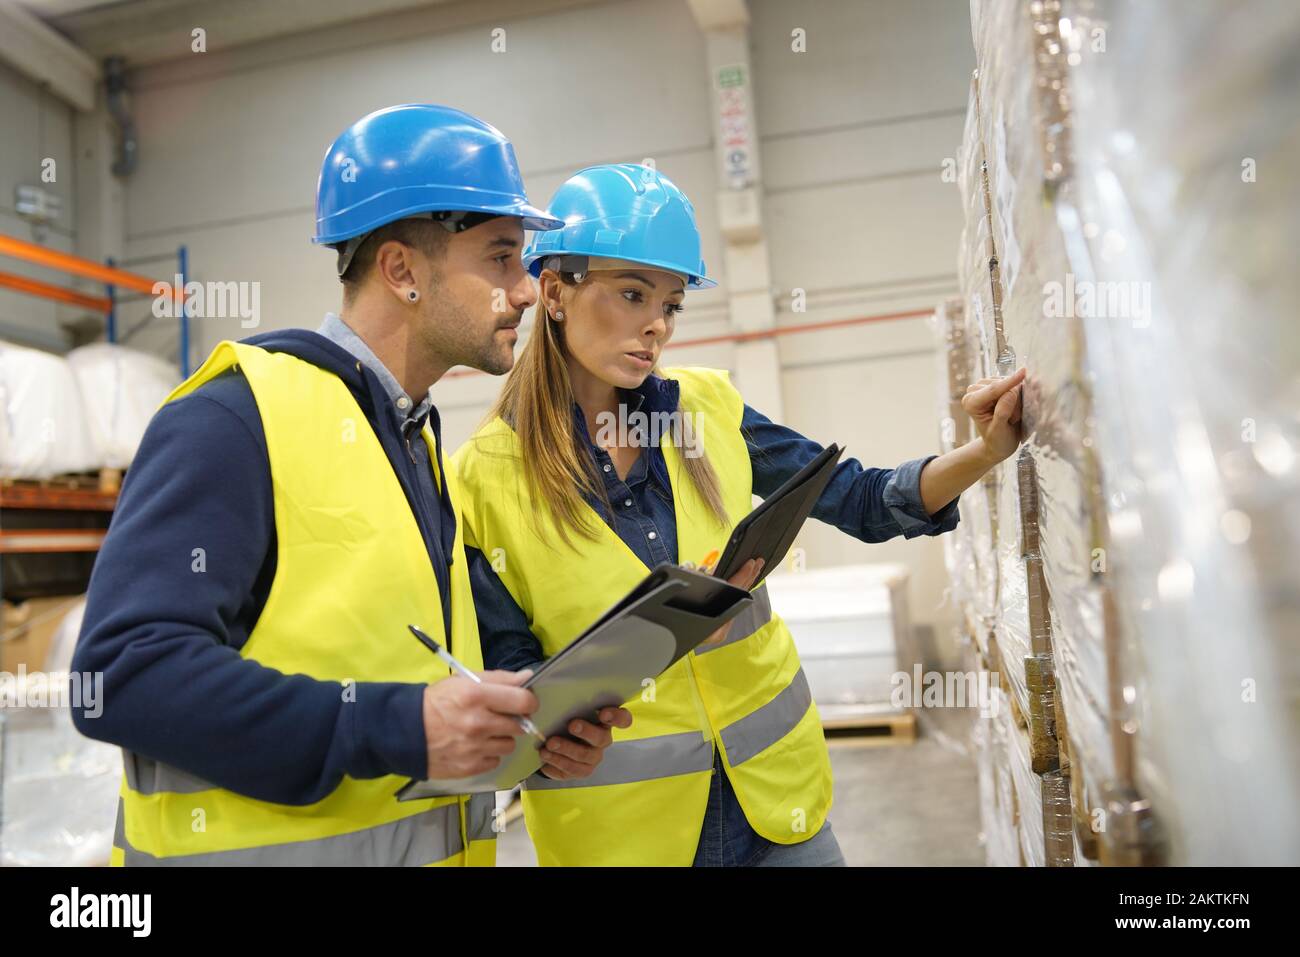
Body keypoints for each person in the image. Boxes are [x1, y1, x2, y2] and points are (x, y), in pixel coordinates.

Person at [70, 105, 630, 867]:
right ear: (401, 271)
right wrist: (402, 726)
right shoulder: (236, 417)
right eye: (501, 258)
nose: (527, 291)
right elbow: (122, 673)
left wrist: (523, 719)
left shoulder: (409, 436)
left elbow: (400, 660)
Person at [453, 163, 1026, 866]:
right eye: (633, 294)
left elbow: (866, 500)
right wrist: (554, 732)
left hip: (776, 807)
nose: (655, 325)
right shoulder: (484, 475)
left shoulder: (707, 409)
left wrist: (986, 449)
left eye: (670, 304)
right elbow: (509, 668)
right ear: (554, 292)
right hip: (625, 837)